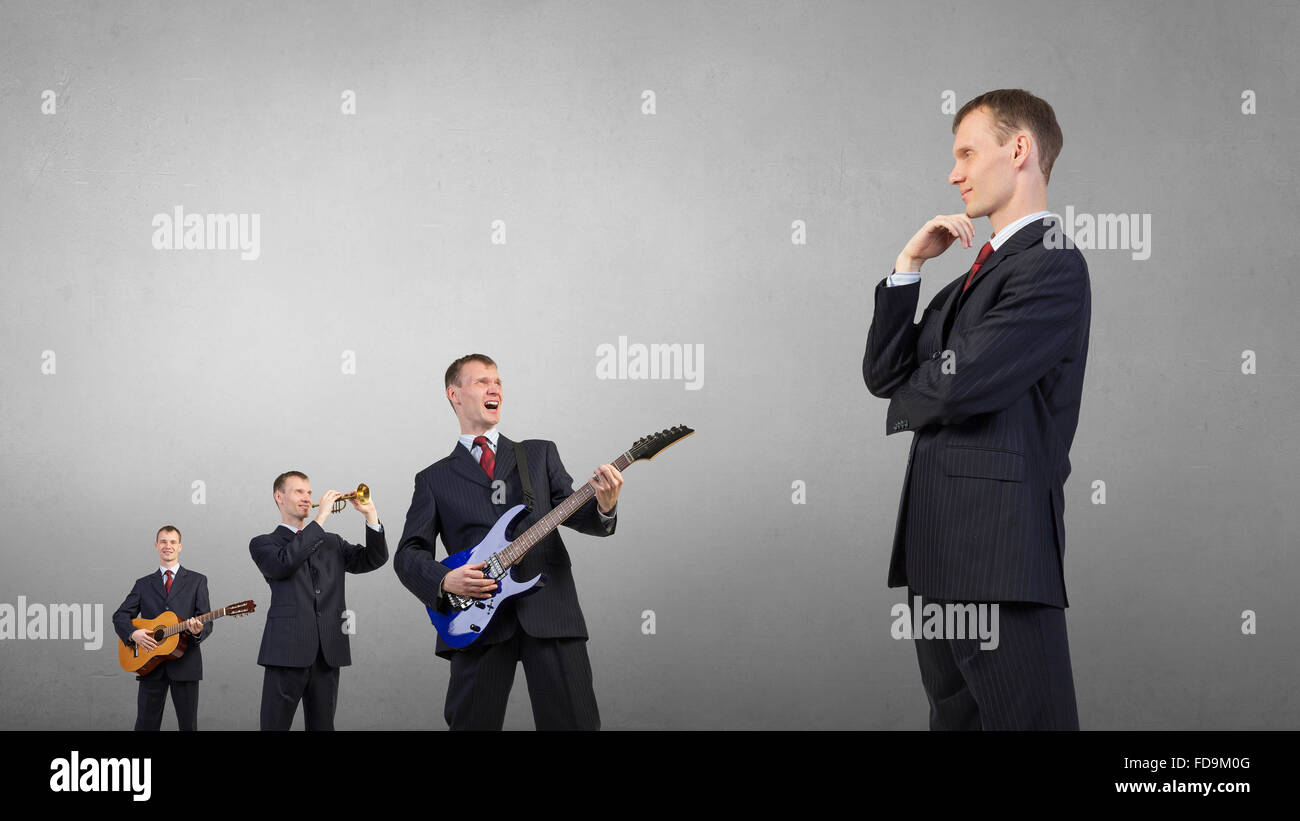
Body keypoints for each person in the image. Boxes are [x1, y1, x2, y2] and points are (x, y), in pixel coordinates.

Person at [863, 89, 1090, 730]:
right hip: (936, 554)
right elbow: (886, 374)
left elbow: (961, 386)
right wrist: (908, 268)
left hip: (1000, 557)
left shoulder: (1052, 265)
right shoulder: (964, 283)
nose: (953, 172)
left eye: (967, 152)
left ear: (1018, 149)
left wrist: (922, 389)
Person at [394, 354, 623, 730]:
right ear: (454, 394)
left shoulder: (538, 453)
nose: (494, 387)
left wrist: (605, 505)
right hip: (474, 619)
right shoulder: (433, 478)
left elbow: (580, 516)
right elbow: (407, 555)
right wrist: (443, 580)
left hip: (549, 611)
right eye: (482, 381)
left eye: (497, 381)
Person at [250, 471, 387, 730]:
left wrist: (371, 516)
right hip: (285, 653)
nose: (307, 497)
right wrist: (320, 518)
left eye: (309, 492)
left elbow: (373, 559)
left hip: (328, 653)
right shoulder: (263, 543)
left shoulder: (331, 542)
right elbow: (283, 564)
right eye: (298, 491)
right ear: (279, 497)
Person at [112, 525, 211, 731]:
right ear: (156, 546)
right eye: (163, 542)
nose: (168, 546)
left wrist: (197, 631)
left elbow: (207, 622)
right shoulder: (143, 584)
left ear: (180, 546)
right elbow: (120, 616)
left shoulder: (197, 581)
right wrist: (133, 633)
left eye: (173, 542)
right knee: (145, 726)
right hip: (149, 663)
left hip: (185, 664)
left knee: (188, 726)